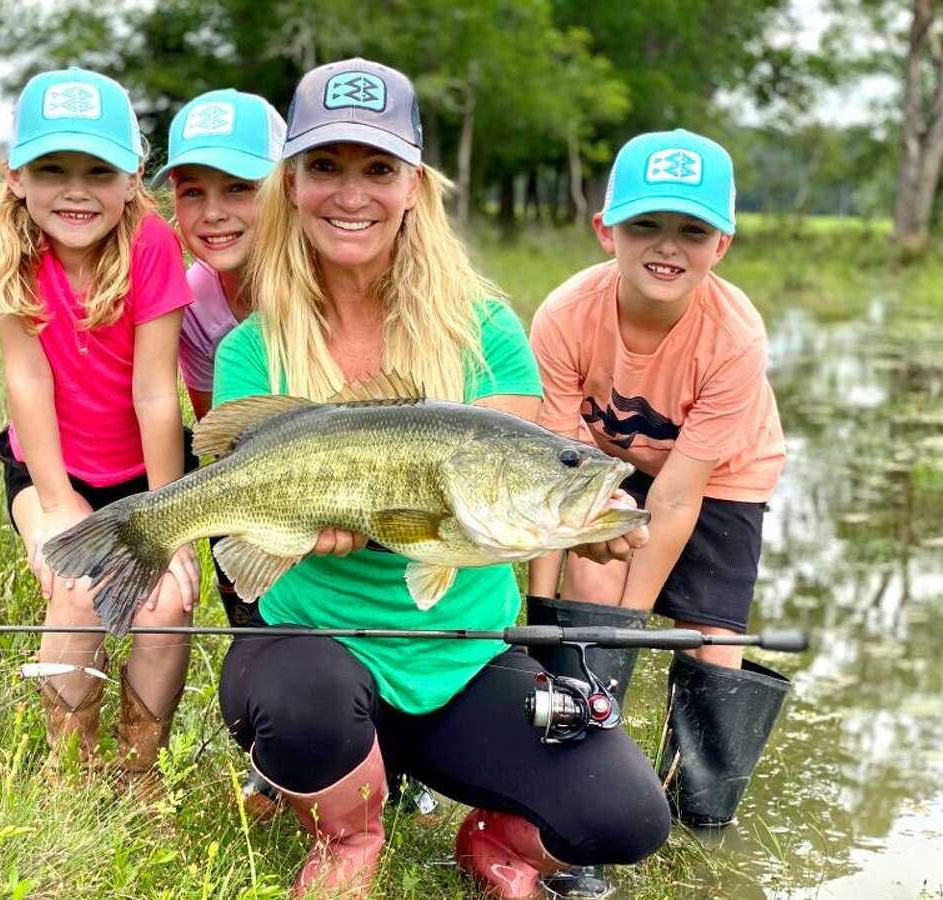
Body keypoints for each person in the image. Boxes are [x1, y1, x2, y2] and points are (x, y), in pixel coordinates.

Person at [213, 58, 669, 899]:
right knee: (304, 703)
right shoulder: (252, 349)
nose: (353, 194)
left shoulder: (487, 328)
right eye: (325, 167)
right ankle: (347, 833)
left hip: (461, 658)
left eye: (379, 169)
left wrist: (590, 520)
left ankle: (492, 835)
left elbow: (501, 487)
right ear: (291, 185)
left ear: (415, 185)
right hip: (318, 649)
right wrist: (313, 523)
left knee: (626, 819)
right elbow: (242, 499)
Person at [527, 129, 791, 828]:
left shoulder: (734, 336)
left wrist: (632, 624)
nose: (667, 246)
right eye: (645, 224)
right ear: (605, 230)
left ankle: (700, 810)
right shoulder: (562, 316)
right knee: (588, 576)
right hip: (604, 465)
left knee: (710, 633)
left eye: (692, 230)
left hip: (722, 474)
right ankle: (576, 757)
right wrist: (540, 616)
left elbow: (677, 495)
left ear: (722, 245)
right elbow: (554, 482)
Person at [0, 67, 200, 792]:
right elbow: (27, 379)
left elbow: (156, 391)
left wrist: (164, 521)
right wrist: (57, 497)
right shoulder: (2, 240)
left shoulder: (153, 244)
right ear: (15, 177)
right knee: (74, 585)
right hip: (48, 465)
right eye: (52, 169)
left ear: (133, 177)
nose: (75, 190)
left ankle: (138, 771)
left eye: (98, 170)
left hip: (145, 471)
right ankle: (70, 768)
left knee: (164, 602)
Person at [153, 87, 288, 817]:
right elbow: (220, 429)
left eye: (241, 187)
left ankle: (405, 756)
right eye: (192, 190)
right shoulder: (197, 299)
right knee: (246, 578)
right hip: (257, 467)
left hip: (345, 470)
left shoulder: (321, 276)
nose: (214, 211)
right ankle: (276, 757)